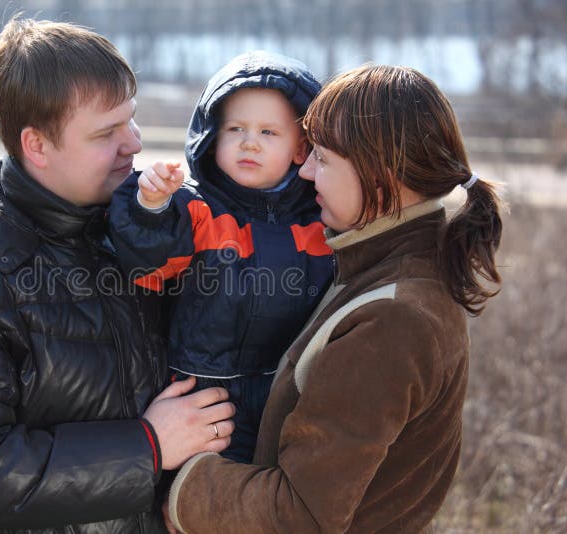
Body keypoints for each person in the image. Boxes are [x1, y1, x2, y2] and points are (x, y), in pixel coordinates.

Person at [0, 17, 235, 533]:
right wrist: (148, 446)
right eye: (105, 133)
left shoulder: (148, 226)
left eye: (131, 120)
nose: (134, 144)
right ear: (37, 147)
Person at [166, 64, 504, 533]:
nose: (303, 170)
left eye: (321, 158)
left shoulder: (392, 319)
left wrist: (175, 484)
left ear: (379, 175)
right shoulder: (379, 269)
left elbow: (300, 514)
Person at [109, 51, 335, 463]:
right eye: (235, 129)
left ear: (302, 149)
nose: (249, 142)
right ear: (212, 138)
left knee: (272, 499)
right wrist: (151, 205)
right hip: (204, 397)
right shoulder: (197, 209)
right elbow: (150, 267)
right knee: (204, 500)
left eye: (269, 132)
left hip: (286, 396)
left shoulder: (320, 222)